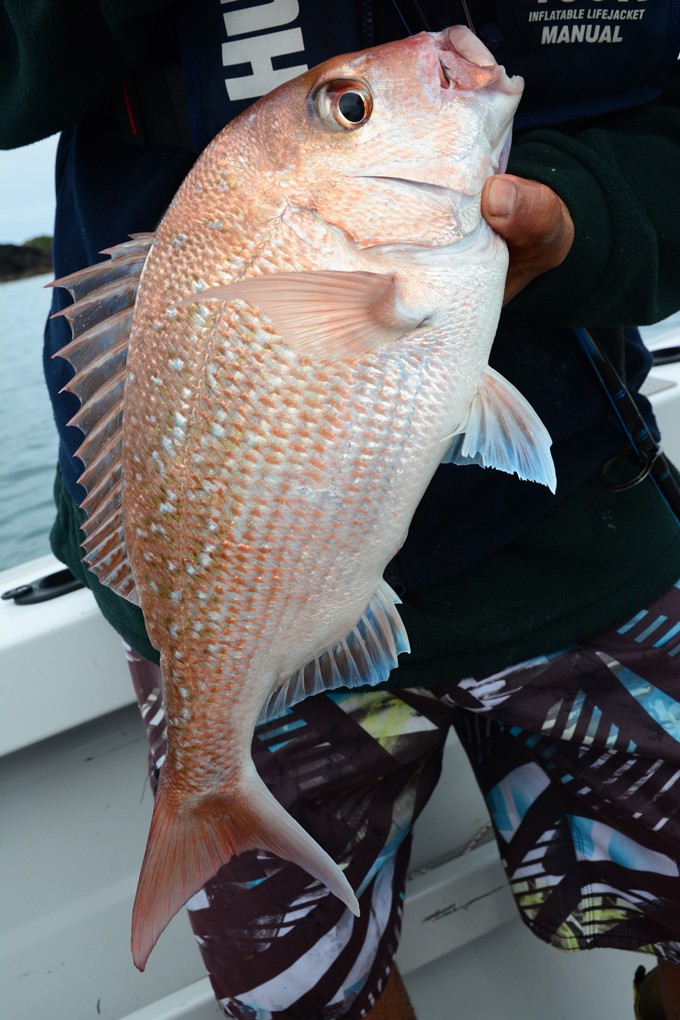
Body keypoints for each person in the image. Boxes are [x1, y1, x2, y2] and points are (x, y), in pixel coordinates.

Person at [2, 1, 680, 1017]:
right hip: (227, 597)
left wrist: (580, 215)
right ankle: (212, 783)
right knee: (312, 1003)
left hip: (583, 532)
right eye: (355, 108)